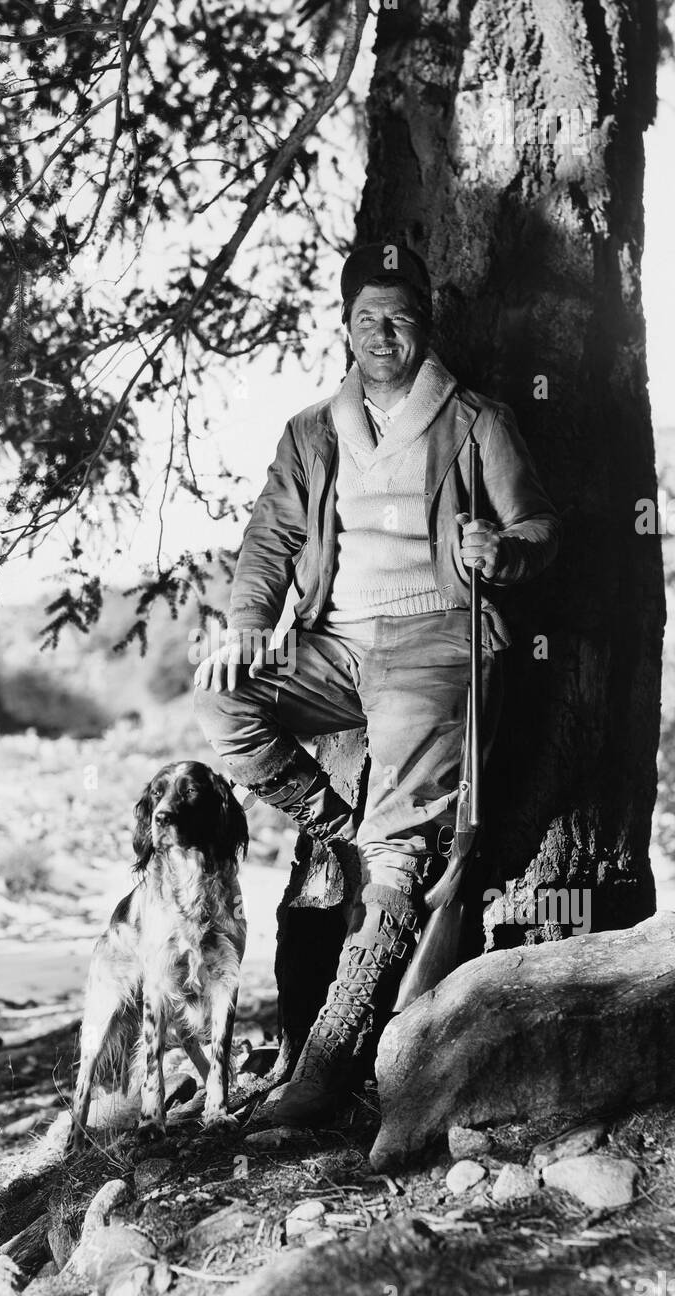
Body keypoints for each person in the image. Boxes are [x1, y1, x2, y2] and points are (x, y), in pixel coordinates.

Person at [193, 242, 560, 1126]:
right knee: (222, 699)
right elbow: (271, 540)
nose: (381, 334)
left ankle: (327, 1066)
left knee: (401, 855)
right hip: (329, 643)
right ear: (346, 329)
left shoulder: (476, 420)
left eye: (398, 318)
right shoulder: (312, 431)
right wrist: (249, 623)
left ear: (423, 325)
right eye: (366, 320)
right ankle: (341, 828)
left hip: (434, 639)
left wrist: (502, 552)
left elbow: (540, 526)